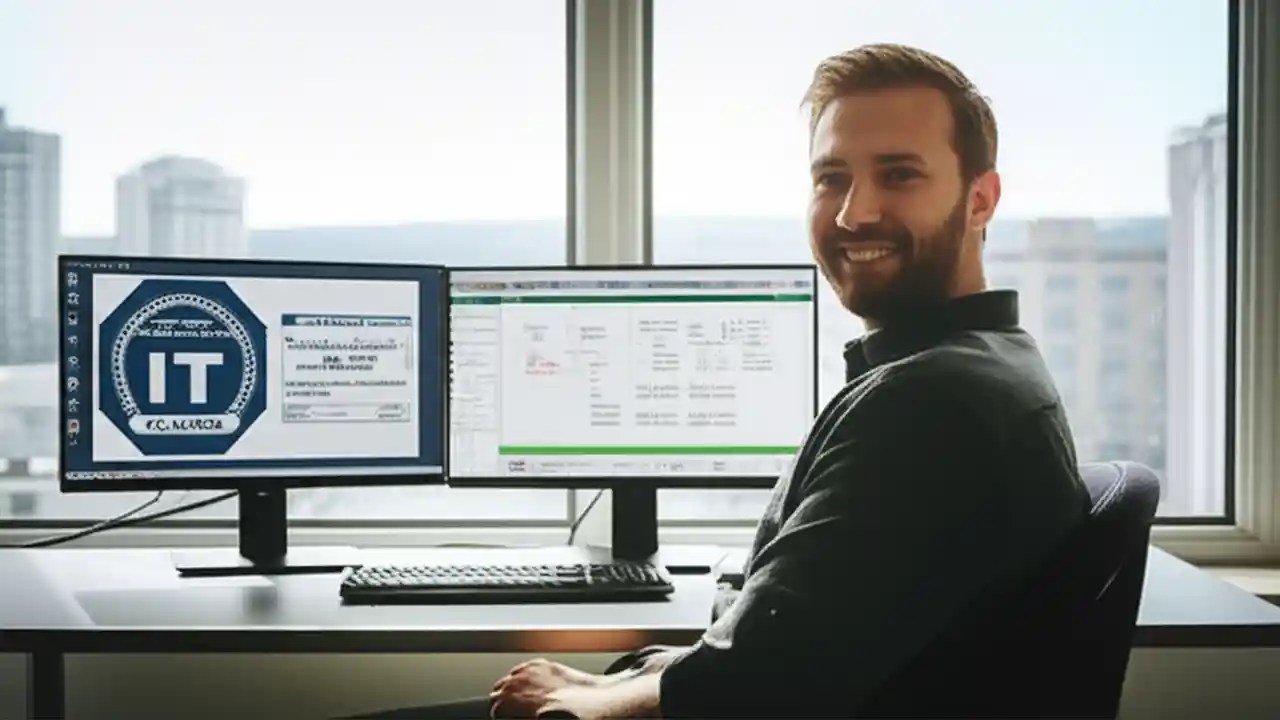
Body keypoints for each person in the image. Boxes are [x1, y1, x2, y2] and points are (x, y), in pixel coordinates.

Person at [356, 42, 1090, 719]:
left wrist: (596, 704)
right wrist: (624, 679)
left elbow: (761, 681)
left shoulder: (931, 404)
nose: (853, 211)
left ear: (981, 198)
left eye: (899, 175)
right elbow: (809, 637)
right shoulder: (990, 364)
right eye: (831, 177)